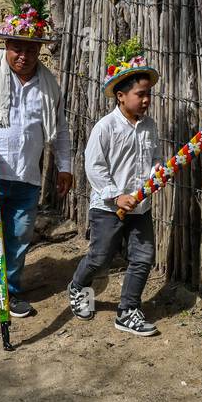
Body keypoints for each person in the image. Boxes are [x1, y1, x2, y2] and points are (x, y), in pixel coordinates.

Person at [0, 5, 74, 318]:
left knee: (19, 238)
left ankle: (4, 293)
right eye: (17, 48)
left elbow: (59, 129)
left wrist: (65, 166)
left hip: (26, 176)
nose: (23, 55)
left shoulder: (48, 85)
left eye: (30, 49)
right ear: (6, 46)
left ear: (39, 51)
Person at [67, 54, 160, 336]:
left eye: (148, 95)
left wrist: (157, 173)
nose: (146, 100)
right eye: (140, 94)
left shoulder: (150, 127)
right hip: (107, 208)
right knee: (100, 257)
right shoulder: (105, 127)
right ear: (121, 96)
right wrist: (116, 195)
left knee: (143, 257)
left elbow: (154, 158)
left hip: (140, 208)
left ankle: (128, 311)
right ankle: (78, 287)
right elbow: (93, 166)